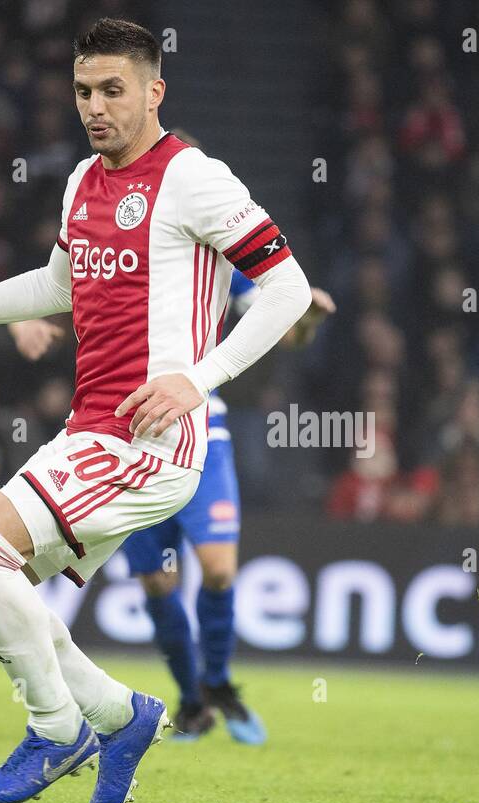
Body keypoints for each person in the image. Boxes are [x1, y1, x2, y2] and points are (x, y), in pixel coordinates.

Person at [0, 18, 313, 803]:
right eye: (83, 91)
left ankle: (57, 728)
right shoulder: (82, 181)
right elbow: (53, 288)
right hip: (89, 433)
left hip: (151, 444)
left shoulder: (192, 177)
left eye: (112, 90)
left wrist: (202, 378)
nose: (94, 107)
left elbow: (289, 289)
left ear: (154, 91)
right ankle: (119, 717)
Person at [121, 268, 335, 743]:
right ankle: (192, 704)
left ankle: (216, 681)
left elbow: (288, 335)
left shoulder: (218, 266)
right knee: (158, 582)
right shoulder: (122, 253)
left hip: (202, 433)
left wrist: (309, 320)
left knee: (219, 570)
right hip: (131, 438)